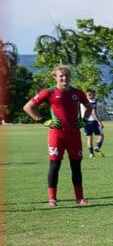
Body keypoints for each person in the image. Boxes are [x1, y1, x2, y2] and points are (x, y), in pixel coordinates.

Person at [24, 64, 92, 207]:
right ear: (55, 77)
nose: (64, 78)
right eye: (61, 76)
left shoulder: (77, 93)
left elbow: (89, 106)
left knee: (76, 167)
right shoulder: (48, 92)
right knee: (54, 166)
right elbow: (28, 107)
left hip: (74, 135)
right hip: (56, 135)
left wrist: (84, 120)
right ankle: (52, 199)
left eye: (66, 75)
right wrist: (43, 120)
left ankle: (79, 198)